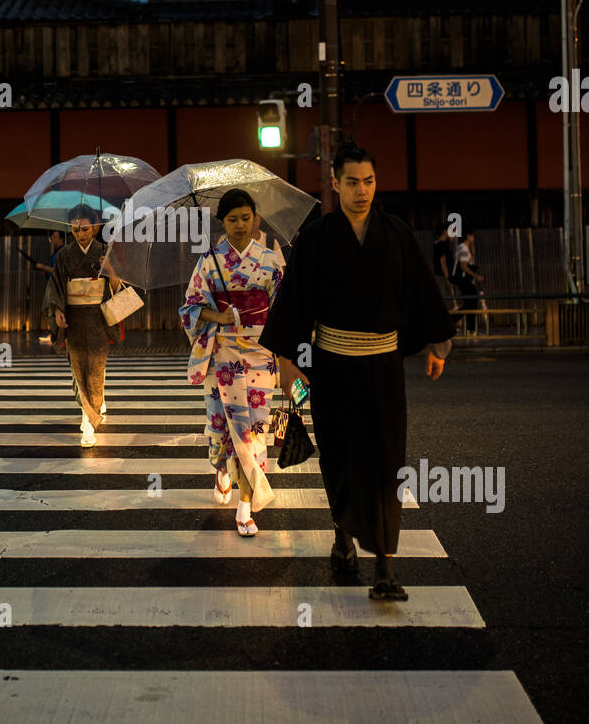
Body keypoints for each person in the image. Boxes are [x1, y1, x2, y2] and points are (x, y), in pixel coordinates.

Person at [260, 143, 454, 600]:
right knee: (341, 456)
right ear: (334, 182)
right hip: (332, 365)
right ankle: (343, 534)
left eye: (369, 181)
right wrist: (287, 363)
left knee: (386, 462)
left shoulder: (397, 234)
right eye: (352, 182)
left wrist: (437, 343)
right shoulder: (316, 239)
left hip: (383, 365)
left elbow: (422, 293)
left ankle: (385, 565)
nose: (362, 190)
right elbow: (294, 305)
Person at [180, 188, 284, 536]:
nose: (240, 225)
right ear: (221, 222)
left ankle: (245, 507)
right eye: (232, 219)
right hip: (222, 355)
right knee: (222, 430)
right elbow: (190, 309)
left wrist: (285, 357)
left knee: (253, 431)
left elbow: (283, 311)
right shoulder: (208, 262)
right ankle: (222, 469)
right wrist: (218, 315)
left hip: (260, 355)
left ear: (255, 217)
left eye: (246, 217)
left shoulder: (270, 260)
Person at [43, 205, 121, 447]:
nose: (81, 234)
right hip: (74, 318)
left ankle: (90, 415)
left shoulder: (105, 251)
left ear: (96, 226)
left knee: (96, 370)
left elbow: (117, 287)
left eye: (85, 229)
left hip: (97, 317)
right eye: (75, 230)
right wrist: (57, 310)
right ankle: (89, 416)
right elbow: (55, 285)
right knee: (78, 368)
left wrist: (109, 270)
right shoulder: (65, 255)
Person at [36, 231, 65, 343]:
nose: (52, 238)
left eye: (55, 236)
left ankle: (55, 335)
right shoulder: (56, 252)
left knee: (55, 308)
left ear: (61, 238)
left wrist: (43, 267)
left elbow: (58, 271)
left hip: (59, 286)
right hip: (54, 284)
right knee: (53, 309)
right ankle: (55, 334)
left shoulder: (62, 252)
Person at [432, 222, 458, 315]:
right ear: (445, 231)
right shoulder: (441, 244)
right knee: (446, 300)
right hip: (442, 276)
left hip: (444, 275)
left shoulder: (444, 243)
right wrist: (448, 278)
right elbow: (442, 262)